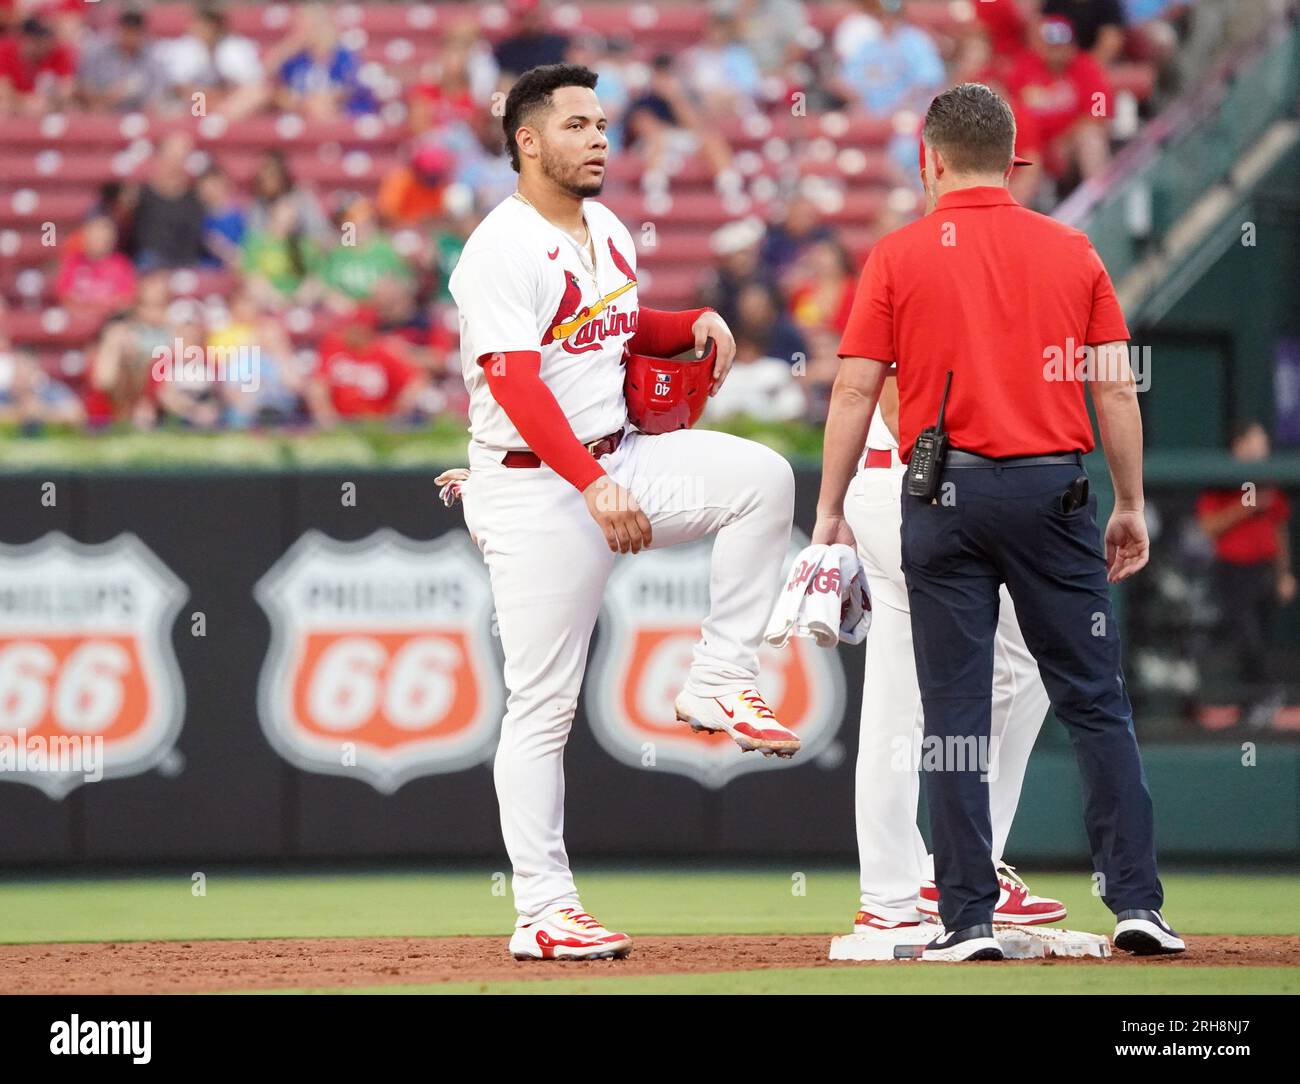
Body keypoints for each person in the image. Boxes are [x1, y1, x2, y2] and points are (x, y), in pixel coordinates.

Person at [814, 82, 1181, 962]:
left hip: (944, 497)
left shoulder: (898, 254)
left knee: (952, 715)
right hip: (1054, 494)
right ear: (1013, 161)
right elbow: (1115, 388)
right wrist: (1131, 503)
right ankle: (1137, 904)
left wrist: (828, 509)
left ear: (930, 160)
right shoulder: (1073, 248)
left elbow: (855, 390)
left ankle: (967, 918)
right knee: (1095, 702)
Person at [448, 63, 796, 962]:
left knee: (762, 480)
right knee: (543, 706)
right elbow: (515, 382)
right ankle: (542, 910)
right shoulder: (498, 249)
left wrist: (692, 322)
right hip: (535, 485)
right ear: (528, 141)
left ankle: (719, 677)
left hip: (620, 455)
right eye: (577, 125)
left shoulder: (604, 227)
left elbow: (620, 324)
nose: (599, 138)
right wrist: (589, 483)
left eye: (601, 124)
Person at [839, 140, 1066, 939]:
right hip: (918, 484)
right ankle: (939, 877)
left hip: (910, 486)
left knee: (959, 680)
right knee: (968, 679)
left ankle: (917, 883)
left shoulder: (942, 252)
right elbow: (882, 386)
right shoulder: (930, 253)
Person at [1195, 422, 1296, 729]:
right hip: (1232, 571)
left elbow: (1279, 531)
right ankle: (1251, 701)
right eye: (1254, 441)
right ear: (1238, 445)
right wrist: (1247, 506)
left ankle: (1256, 705)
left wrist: (1284, 574)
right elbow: (1208, 526)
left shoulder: (1268, 481)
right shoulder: (1222, 481)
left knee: (1262, 638)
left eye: (1263, 442)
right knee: (1244, 637)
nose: (1260, 448)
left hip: (1263, 571)